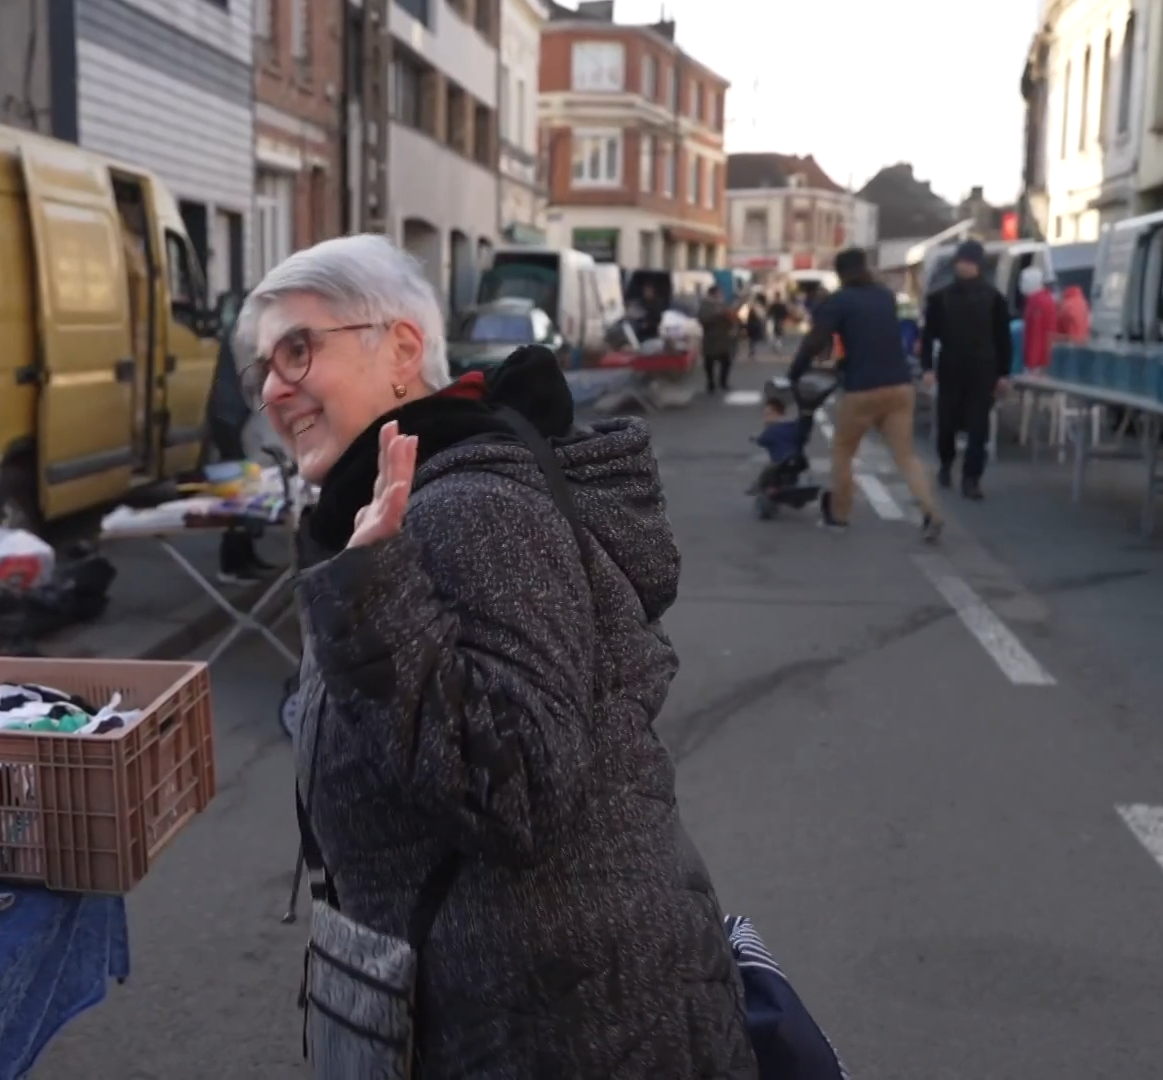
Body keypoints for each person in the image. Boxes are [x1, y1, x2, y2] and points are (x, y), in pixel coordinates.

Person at [239, 234, 756, 1078]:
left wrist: (369, 605)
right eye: (262, 367)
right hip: (507, 1008)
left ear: (402, 349)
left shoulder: (472, 506)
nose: (271, 388)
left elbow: (516, 793)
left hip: (568, 1029)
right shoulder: (405, 505)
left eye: (299, 350)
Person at [790, 247, 943, 541]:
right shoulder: (885, 296)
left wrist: (795, 373)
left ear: (840, 273)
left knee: (843, 452)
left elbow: (815, 340)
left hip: (862, 388)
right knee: (905, 455)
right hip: (900, 385)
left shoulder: (840, 301)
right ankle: (931, 511)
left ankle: (839, 515)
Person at [920, 240, 1012, 501]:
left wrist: (1003, 373)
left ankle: (972, 478)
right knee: (946, 422)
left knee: (978, 426)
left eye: (969, 262)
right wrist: (927, 367)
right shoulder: (940, 298)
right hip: (950, 366)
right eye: (961, 261)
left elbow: (1003, 339)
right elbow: (928, 336)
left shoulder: (994, 299)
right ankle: (946, 463)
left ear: (978, 265)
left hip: (983, 369)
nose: (964, 266)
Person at [205, 289, 276, 584]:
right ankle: (232, 565)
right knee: (240, 492)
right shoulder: (245, 334)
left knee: (249, 489)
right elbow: (251, 378)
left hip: (232, 416)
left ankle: (247, 556)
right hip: (232, 420)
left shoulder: (247, 329)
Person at [699, 285, 739, 394]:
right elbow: (703, 320)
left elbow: (731, 319)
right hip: (711, 339)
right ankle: (711, 384)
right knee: (709, 363)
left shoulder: (721, 305)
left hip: (723, 339)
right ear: (713, 294)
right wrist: (719, 314)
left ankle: (723, 382)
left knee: (726, 362)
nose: (721, 295)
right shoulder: (705, 305)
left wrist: (731, 318)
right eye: (719, 293)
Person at [1019, 267, 1058, 373]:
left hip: (1038, 362)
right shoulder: (1044, 299)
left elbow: (1036, 335)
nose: (1021, 285)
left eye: (1024, 281)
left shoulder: (1037, 303)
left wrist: (1032, 363)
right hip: (1043, 359)